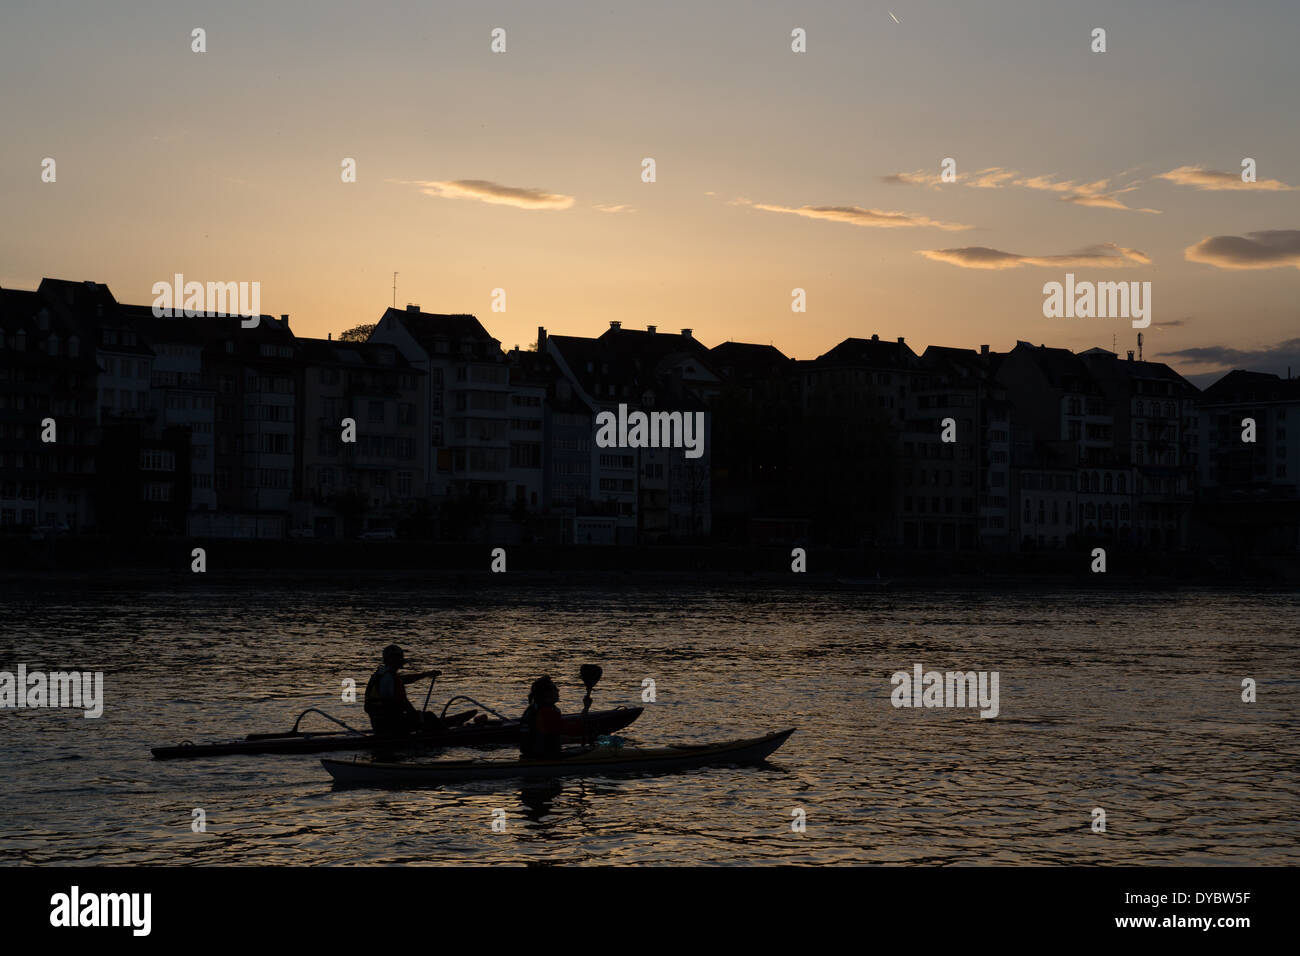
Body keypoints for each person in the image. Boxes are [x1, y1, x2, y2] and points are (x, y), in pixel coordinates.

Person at [364, 645, 441, 736]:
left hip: (379, 724)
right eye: (399, 658)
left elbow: (405, 679)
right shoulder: (389, 677)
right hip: (392, 726)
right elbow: (402, 703)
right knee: (429, 716)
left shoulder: (382, 674)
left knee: (424, 717)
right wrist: (417, 718)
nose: (402, 660)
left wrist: (427, 674)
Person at [519, 675, 567, 759]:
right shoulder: (546, 712)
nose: (558, 690)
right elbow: (558, 736)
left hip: (531, 756)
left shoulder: (533, 708)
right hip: (544, 757)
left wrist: (586, 708)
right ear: (546, 693)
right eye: (554, 688)